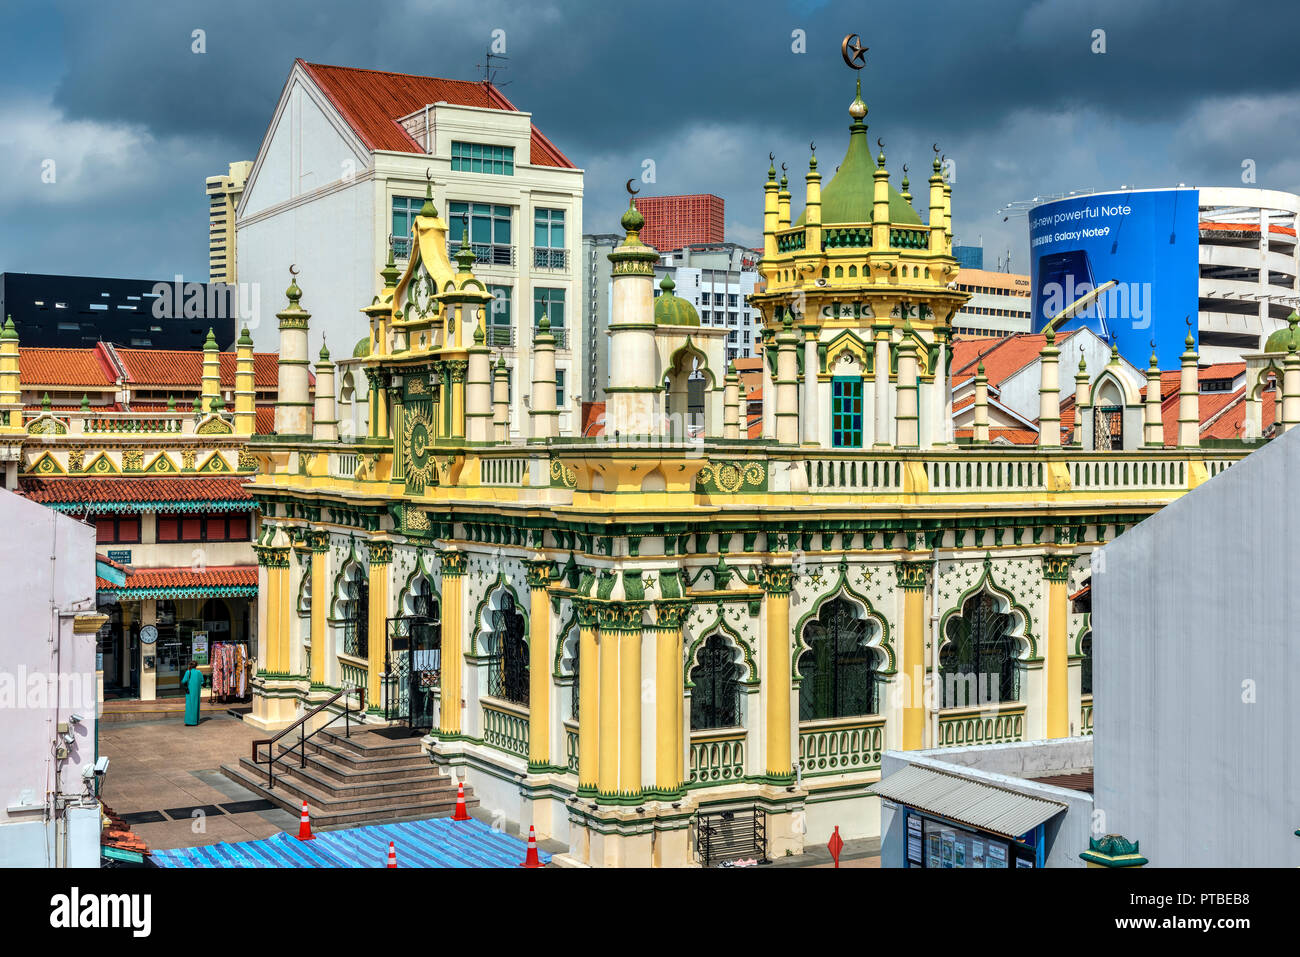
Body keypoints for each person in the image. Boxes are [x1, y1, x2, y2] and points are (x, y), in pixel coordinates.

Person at [180, 659, 203, 726]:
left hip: (190, 691)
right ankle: (195, 721)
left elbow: (183, 681)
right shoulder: (199, 672)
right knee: (196, 705)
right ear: (196, 666)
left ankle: (189, 721)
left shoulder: (188, 672)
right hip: (197, 692)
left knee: (189, 706)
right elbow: (202, 681)